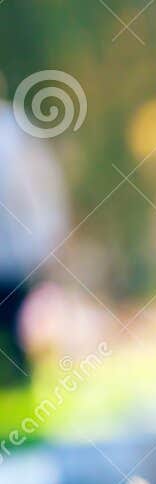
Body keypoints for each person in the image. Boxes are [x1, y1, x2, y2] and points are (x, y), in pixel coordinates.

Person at [0, 73, 70, 386]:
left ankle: (20, 379)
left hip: (15, 257)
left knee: (17, 334)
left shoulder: (14, 133)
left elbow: (41, 189)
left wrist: (46, 238)